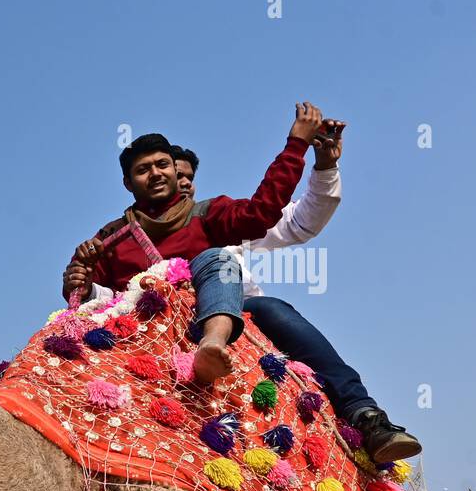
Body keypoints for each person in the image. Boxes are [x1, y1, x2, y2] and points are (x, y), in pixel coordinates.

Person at [168, 128, 421, 463]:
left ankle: (364, 414)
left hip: (243, 314)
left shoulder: (219, 220)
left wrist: (325, 168)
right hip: (169, 321)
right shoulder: (127, 238)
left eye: (188, 177)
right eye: (174, 175)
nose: (183, 182)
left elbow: (298, 223)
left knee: (271, 309)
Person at [64, 103, 323, 385]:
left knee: (226, 268)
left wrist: (297, 144)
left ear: (175, 171)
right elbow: (88, 297)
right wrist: (81, 282)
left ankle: (358, 406)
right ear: (127, 183)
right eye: (143, 169)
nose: (155, 173)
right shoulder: (112, 236)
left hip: (203, 319)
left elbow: (261, 213)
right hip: (134, 337)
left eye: (162, 165)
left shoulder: (207, 213)